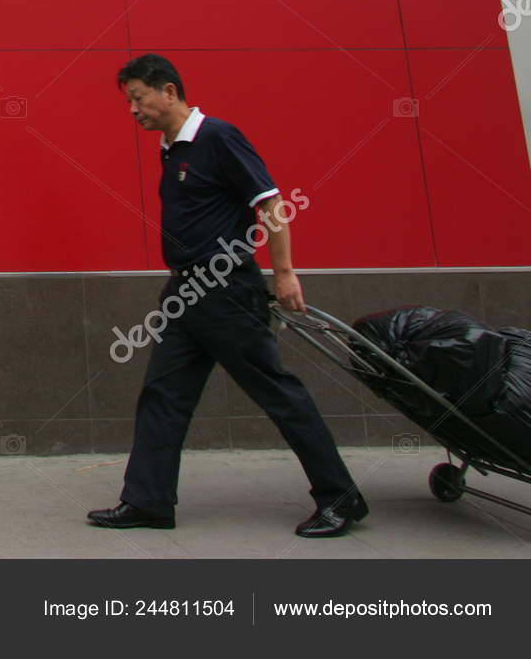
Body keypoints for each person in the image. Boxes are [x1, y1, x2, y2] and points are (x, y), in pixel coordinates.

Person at [88, 53, 367, 538]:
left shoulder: (217, 136)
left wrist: (284, 274)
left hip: (225, 290)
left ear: (169, 90)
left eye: (138, 98)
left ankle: (341, 500)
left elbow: (272, 205)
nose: (133, 110)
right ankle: (148, 501)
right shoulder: (170, 148)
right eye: (128, 101)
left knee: (278, 393)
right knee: (163, 394)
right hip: (186, 292)